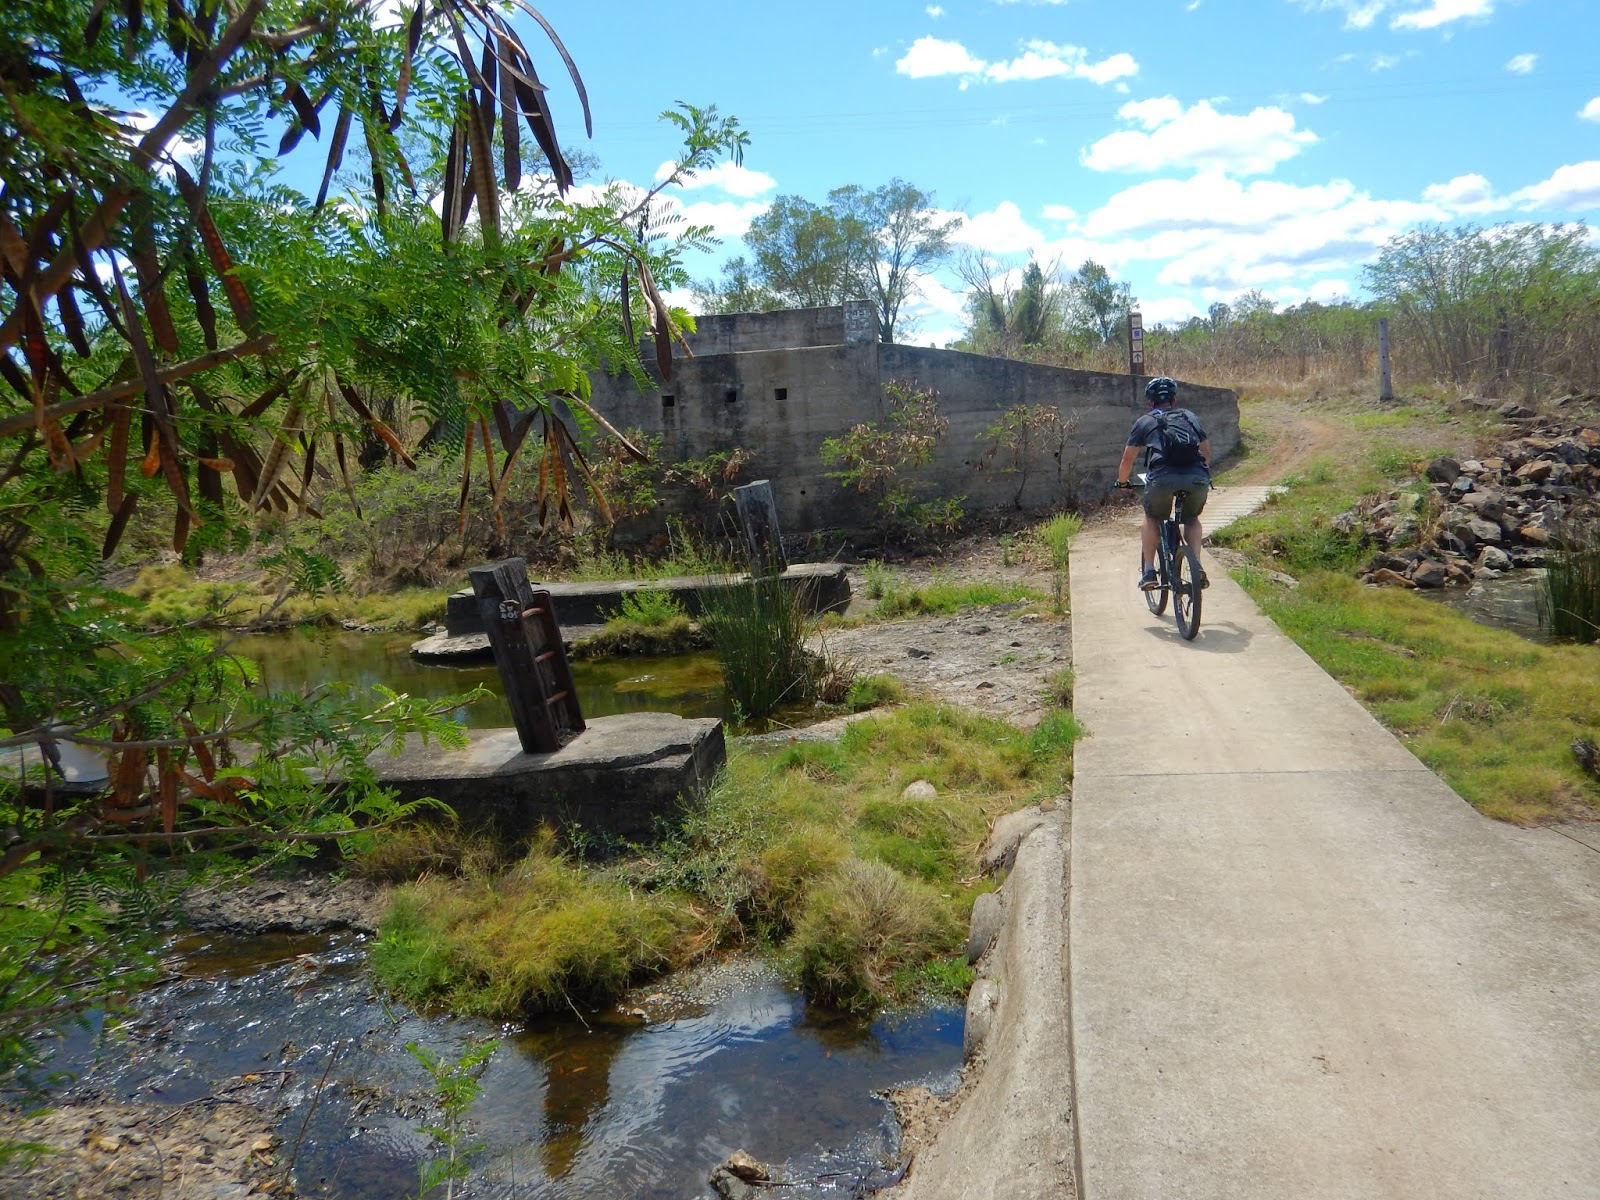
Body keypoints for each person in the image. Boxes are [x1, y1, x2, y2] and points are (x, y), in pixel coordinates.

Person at [1115, 376, 1211, 591]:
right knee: (1191, 519)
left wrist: (1122, 483)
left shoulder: (1144, 421)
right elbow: (1206, 453)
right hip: (1196, 476)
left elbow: (1127, 459)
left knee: (1152, 518)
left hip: (1162, 478)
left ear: (1150, 402)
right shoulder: (1190, 417)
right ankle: (1196, 565)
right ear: (1174, 400)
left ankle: (1149, 571)